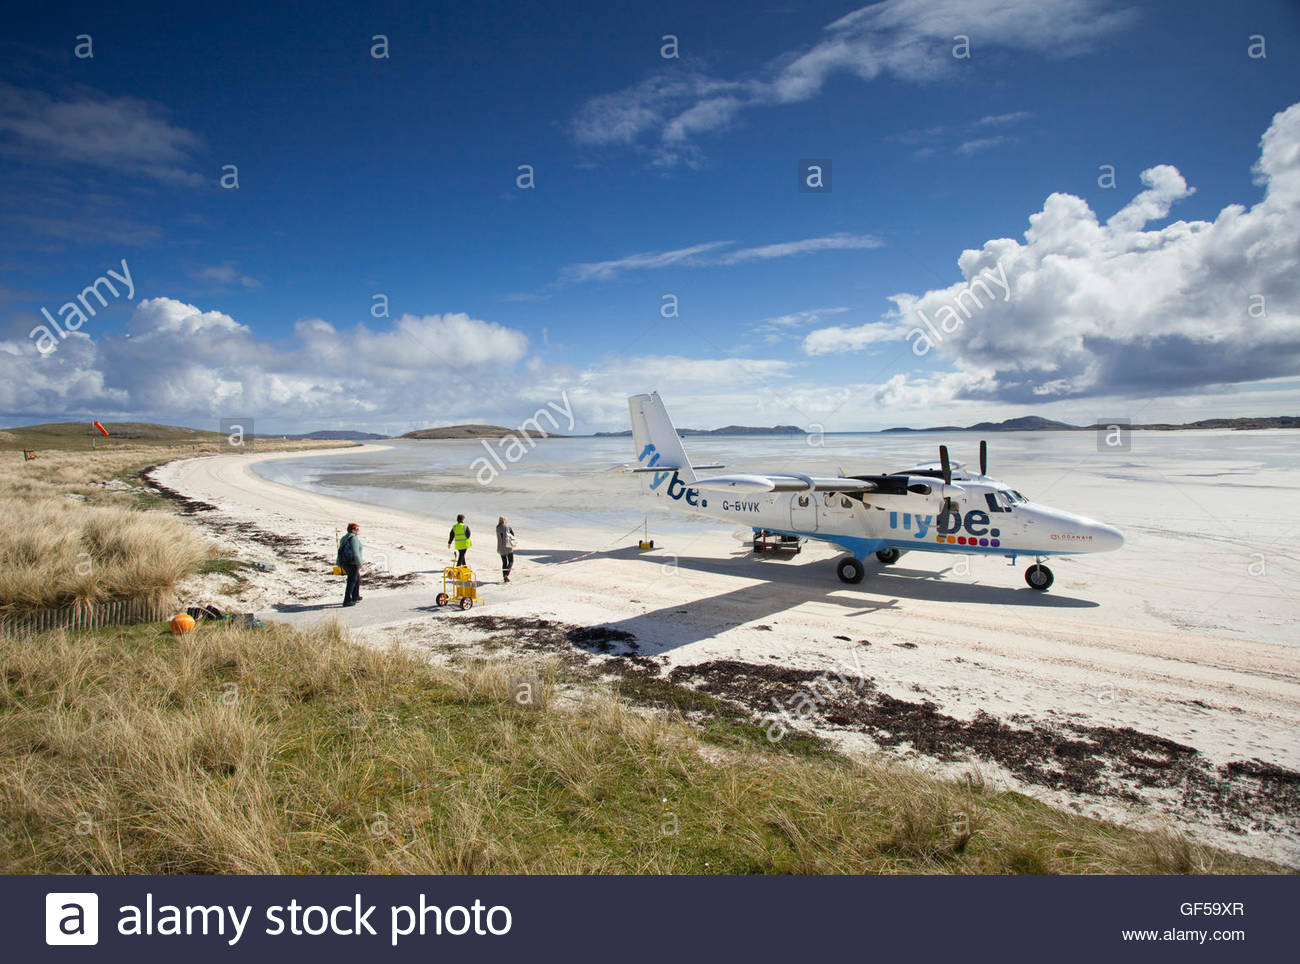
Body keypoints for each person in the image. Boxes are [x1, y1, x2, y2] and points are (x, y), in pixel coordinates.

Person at [337, 522, 363, 607]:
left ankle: (355, 596)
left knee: (356, 578)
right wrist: (359, 563)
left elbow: (340, 550)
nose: (358, 530)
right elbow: (356, 552)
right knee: (352, 580)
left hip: (345, 562)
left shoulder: (344, 538)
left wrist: (338, 562)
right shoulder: (354, 538)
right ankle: (347, 600)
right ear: (352, 530)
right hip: (352, 562)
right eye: (357, 529)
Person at [496, 515, 516, 583]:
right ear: (505, 520)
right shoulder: (507, 527)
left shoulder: (497, 528)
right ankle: (506, 575)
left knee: (504, 562)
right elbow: (513, 535)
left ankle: (504, 576)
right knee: (511, 561)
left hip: (500, 547)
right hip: (508, 546)